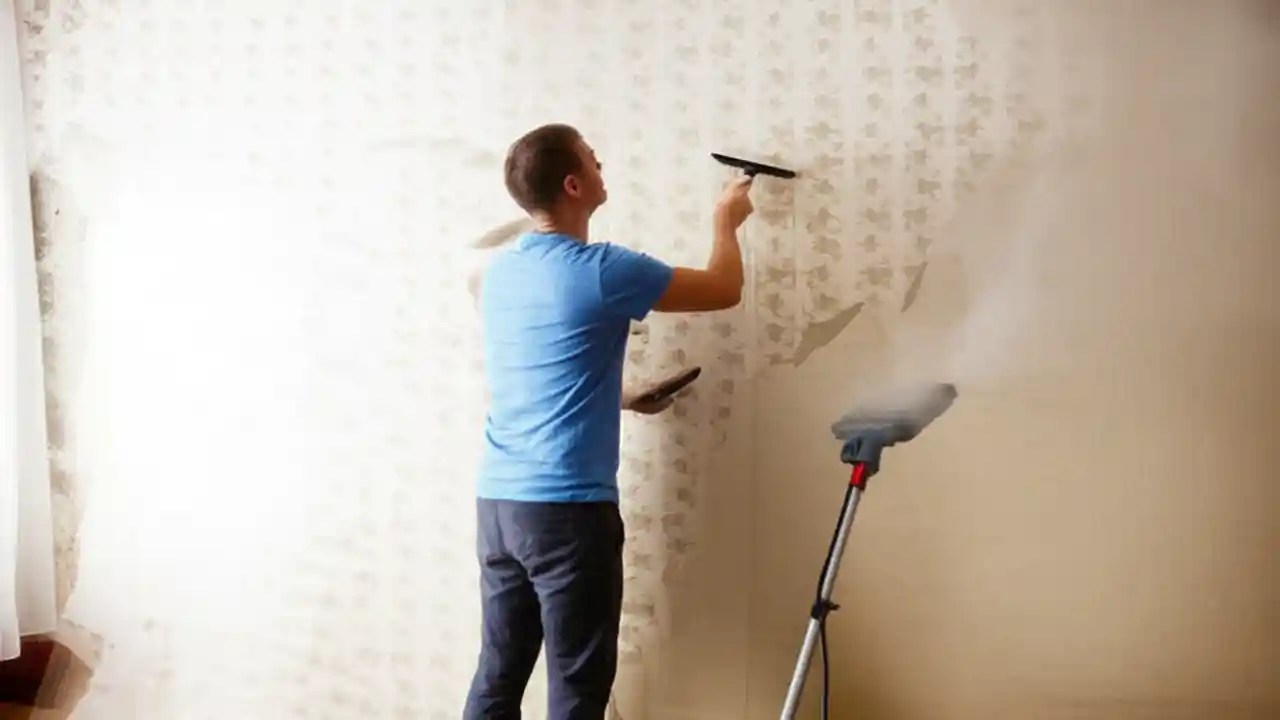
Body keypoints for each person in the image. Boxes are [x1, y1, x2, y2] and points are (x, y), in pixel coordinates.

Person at [463, 123, 755, 719]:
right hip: (567, 515)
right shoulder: (603, 270)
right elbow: (725, 289)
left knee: (497, 676)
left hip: (498, 506)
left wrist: (618, 397)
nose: (602, 166)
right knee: (577, 690)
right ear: (574, 184)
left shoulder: (502, 274)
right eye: (594, 160)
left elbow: (535, 370)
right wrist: (727, 218)